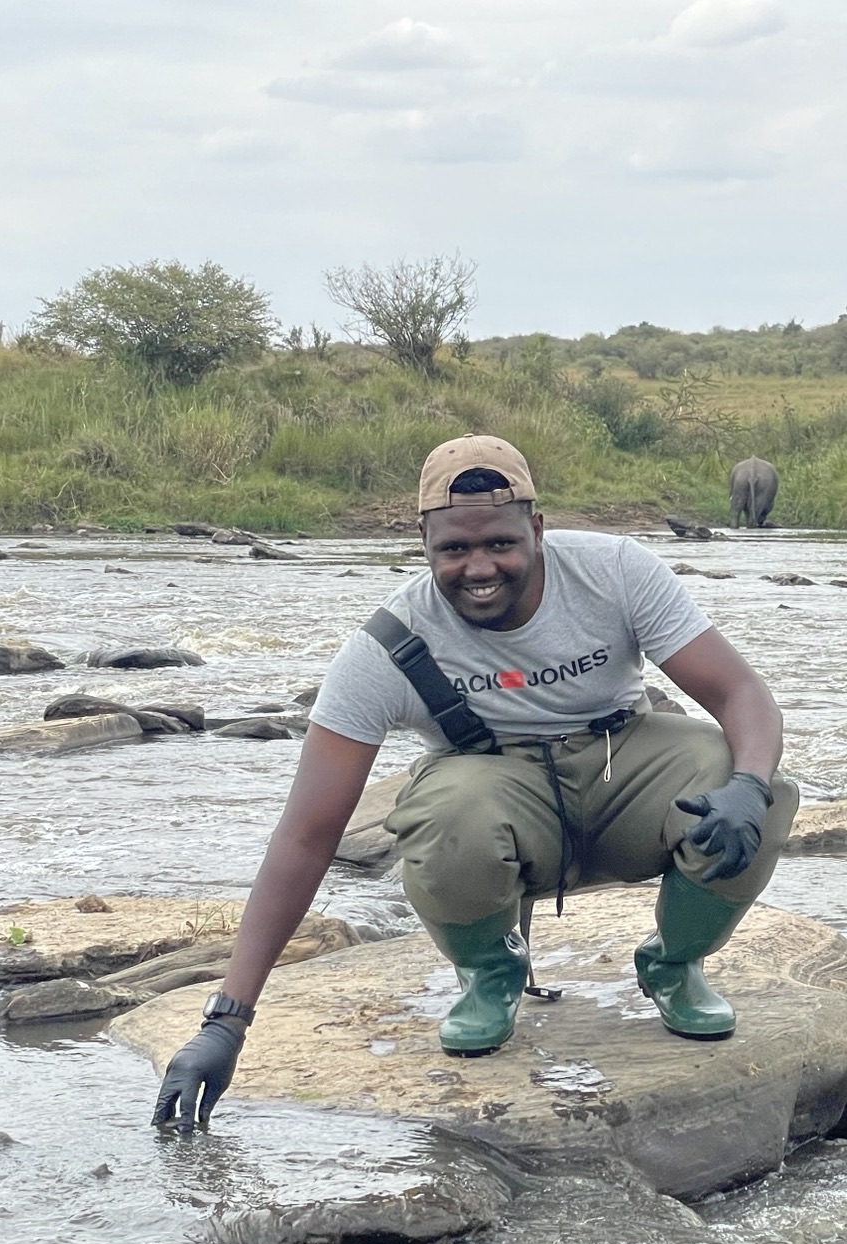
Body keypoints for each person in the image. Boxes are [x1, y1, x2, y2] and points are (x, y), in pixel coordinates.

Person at [152, 434, 798, 1131]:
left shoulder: (615, 571)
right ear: (424, 543)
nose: (479, 568)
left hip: (622, 766)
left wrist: (747, 786)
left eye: (500, 544)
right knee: (447, 812)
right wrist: (227, 1022)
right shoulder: (387, 647)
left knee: (755, 781)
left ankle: (675, 963)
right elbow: (307, 835)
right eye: (455, 549)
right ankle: (491, 971)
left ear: (538, 530)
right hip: (496, 799)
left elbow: (741, 694)